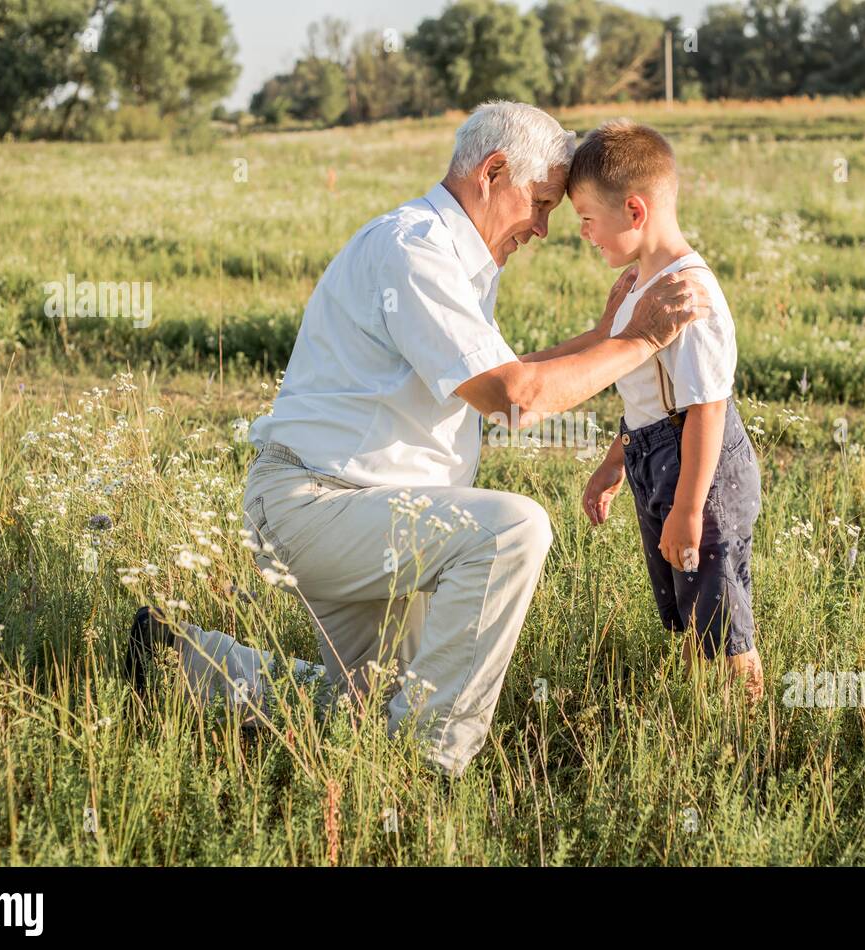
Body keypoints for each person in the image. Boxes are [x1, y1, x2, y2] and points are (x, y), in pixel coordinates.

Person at [126, 101, 712, 777]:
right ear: (494, 173)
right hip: (318, 506)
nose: (546, 228)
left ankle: (178, 661)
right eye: (542, 203)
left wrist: (608, 340)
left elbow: (499, 376)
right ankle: (427, 764)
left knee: (369, 704)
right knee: (513, 529)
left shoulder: (455, 258)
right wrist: (640, 340)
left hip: (374, 514)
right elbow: (512, 398)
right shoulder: (415, 251)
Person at [570, 120, 764, 701]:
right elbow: (646, 399)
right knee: (691, 600)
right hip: (654, 458)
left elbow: (705, 410)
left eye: (586, 219)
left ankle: (749, 724)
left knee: (723, 613)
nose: (582, 233)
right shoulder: (638, 285)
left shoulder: (687, 295)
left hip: (699, 472)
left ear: (634, 211)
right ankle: (702, 707)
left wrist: (688, 509)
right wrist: (613, 466)